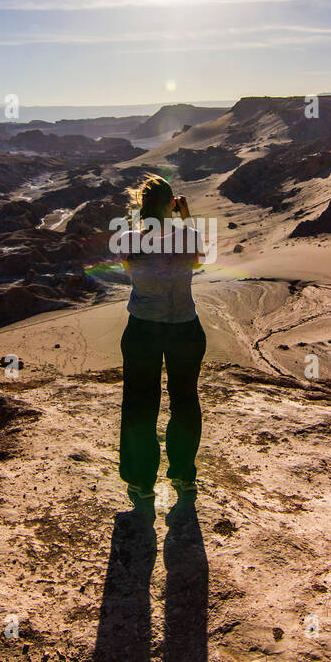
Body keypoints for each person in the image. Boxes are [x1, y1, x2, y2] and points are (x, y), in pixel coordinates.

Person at [114, 174, 207, 511]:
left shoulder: (128, 240)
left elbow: (129, 269)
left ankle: (141, 482)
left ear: (142, 204)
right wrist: (184, 217)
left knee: (140, 403)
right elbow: (196, 261)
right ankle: (184, 475)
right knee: (185, 400)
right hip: (185, 327)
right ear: (172, 204)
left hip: (143, 329)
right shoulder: (190, 236)